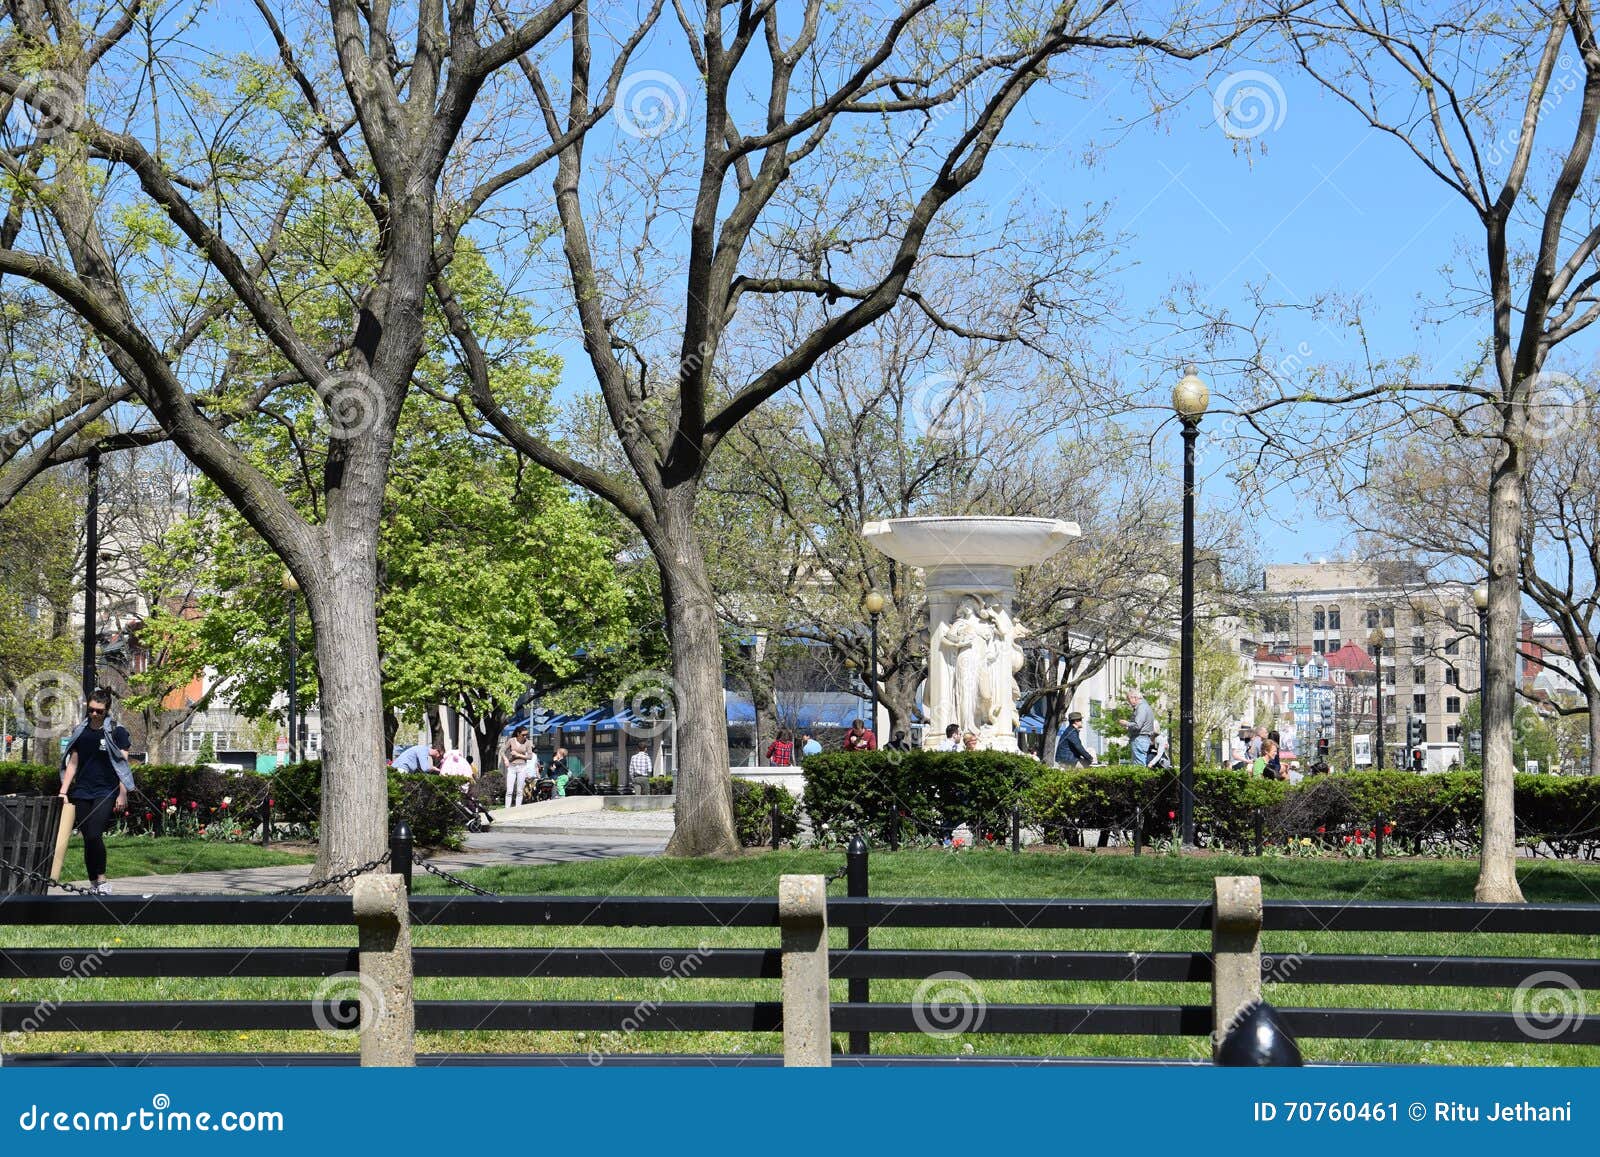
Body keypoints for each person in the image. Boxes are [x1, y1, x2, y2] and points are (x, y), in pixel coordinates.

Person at [58, 690, 134, 896]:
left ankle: (102, 880)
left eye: (98, 711)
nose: (93, 714)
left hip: (106, 790)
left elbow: (122, 765)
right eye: (90, 709)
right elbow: (73, 763)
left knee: (94, 834)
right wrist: (63, 792)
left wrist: (122, 792)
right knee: (87, 838)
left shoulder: (117, 732)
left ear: (107, 710)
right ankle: (93, 882)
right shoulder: (80, 731)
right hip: (82, 790)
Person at [1125, 689, 1157, 766]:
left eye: (1129, 699)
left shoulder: (1141, 707)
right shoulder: (1146, 706)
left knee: (1138, 765)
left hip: (1139, 739)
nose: (1128, 702)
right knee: (1139, 763)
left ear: (1135, 698)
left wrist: (1127, 723)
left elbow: (1137, 725)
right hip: (1143, 738)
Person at [502, 726, 532, 806]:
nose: (525, 736)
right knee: (509, 790)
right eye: (523, 735)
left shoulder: (528, 742)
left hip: (522, 767)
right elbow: (502, 751)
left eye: (527, 734)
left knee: (519, 790)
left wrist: (518, 755)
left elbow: (530, 757)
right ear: (518, 734)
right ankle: (507, 809)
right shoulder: (511, 740)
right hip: (512, 767)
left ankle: (517, 809)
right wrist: (505, 759)